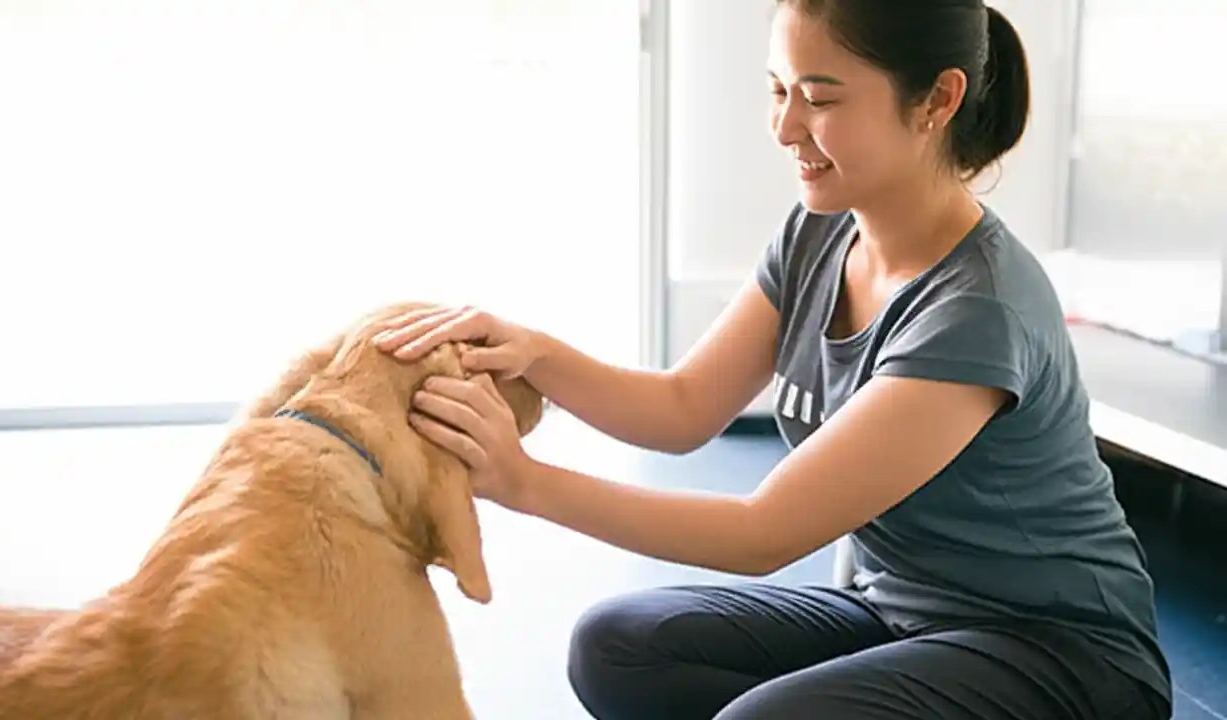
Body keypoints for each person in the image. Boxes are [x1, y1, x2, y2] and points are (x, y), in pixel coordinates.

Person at [372, 1, 1172, 717]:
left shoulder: (977, 310)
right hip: (899, 614)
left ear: (937, 101)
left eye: (820, 98)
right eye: (778, 90)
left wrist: (525, 483)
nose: (786, 128)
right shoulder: (819, 232)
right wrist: (536, 351)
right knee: (617, 644)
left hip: (1061, 657)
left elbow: (763, 535)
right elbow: (684, 407)